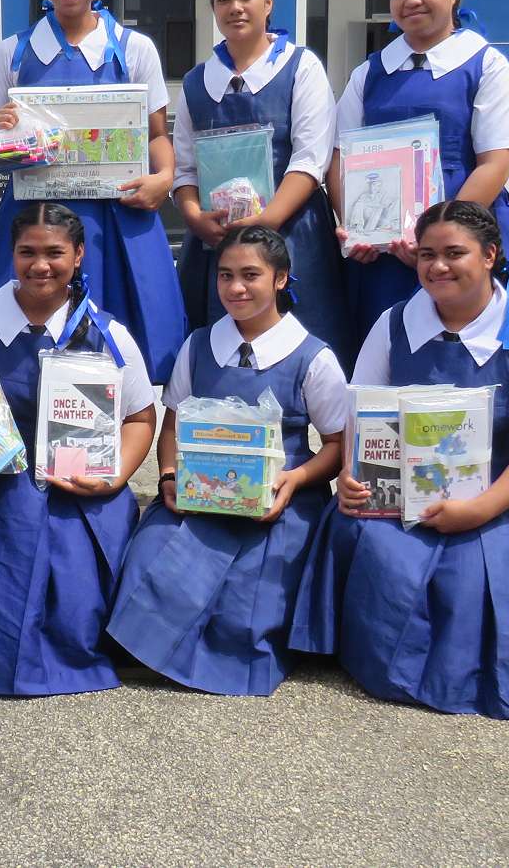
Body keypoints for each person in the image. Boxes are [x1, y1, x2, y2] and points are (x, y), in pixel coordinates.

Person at [292, 201, 509, 719]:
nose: (438, 266)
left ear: (491, 255)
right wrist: (353, 475)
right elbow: (364, 415)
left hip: (503, 490)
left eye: (455, 253)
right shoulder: (393, 325)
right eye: (427, 254)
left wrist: (480, 509)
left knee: (474, 568)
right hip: (402, 484)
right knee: (363, 534)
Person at [106, 226, 347, 696]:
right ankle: (147, 647)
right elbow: (171, 424)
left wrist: (294, 480)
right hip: (197, 491)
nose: (236, 288)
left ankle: (219, 655)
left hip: (280, 497)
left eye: (251, 275)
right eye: (226, 276)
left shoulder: (313, 358)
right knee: (153, 554)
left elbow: (339, 446)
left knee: (249, 588)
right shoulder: (198, 347)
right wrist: (171, 477)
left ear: (281, 279)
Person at [0, 203, 157, 696]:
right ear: (9, 255)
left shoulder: (109, 335)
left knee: (75, 598)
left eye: (55, 252)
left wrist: (115, 478)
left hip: (83, 487)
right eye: (26, 252)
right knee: (13, 541)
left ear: (78, 255)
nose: (40, 265)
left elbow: (141, 417)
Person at [0, 0, 186, 382]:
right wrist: (2, 128)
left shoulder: (135, 48)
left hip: (117, 219)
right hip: (36, 214)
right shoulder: (13, 52)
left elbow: (155, 133)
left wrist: (164, 176)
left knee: (119, 349)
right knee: (24, 345)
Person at [329, 0, 509, 368]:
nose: (411, 0)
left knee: (477, 354)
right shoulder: (369, 73)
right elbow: (341, 158)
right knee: (387, 357)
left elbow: (495, 162)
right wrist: (356, 228)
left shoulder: (484, 64)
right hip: (385, 251)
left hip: (463, 231)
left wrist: (440, 240)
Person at [171, 0, 347, 355]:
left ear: (268, 2)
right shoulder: (196, 82)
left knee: (296, 351)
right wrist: (195, 218)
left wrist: (268, 219)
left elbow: (310, 157)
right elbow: (184, 168)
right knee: (221, 352)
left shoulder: (301, 67)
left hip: (292, 231)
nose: (235, 7)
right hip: (216, 240)